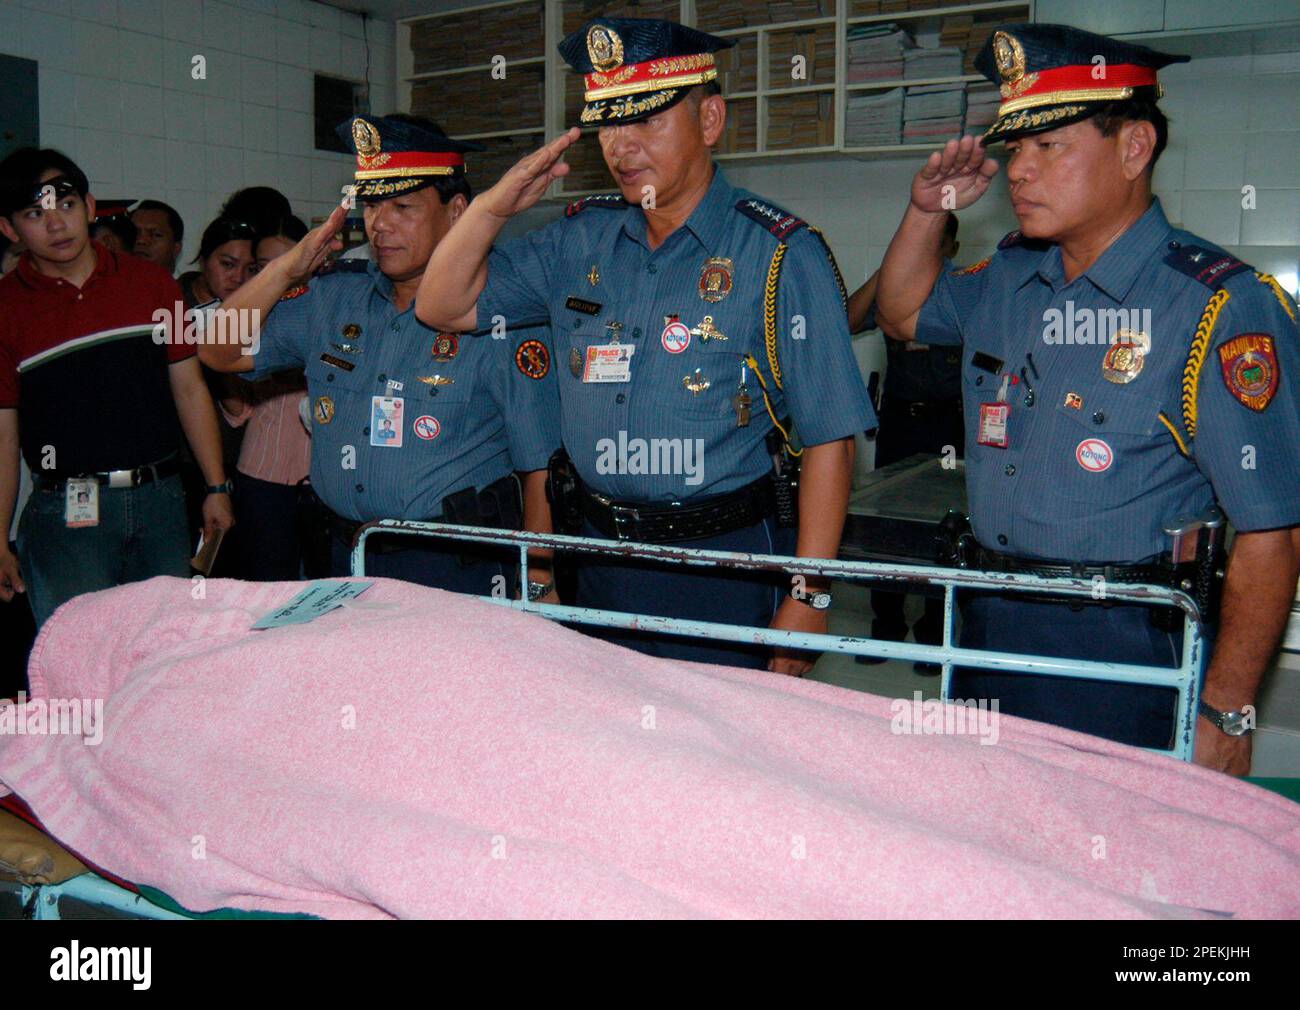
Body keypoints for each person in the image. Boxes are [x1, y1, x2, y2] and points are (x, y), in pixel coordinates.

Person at [874, 23, 1300, 774]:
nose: (1019, 172)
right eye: (1015, 149)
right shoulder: (1011, 278)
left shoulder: (1217, 304)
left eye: (1050, 146)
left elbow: (1272, 532)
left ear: (1134, 149)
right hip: (985, 626)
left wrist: (1226, 711)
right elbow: (902, 313)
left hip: (1123, 646)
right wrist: (926, 209)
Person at [413, 17, 875, 674]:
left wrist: (810, 594)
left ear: (710, 120)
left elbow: (832, 437)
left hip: (723, 563)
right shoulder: (576, 240)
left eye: (647, 121)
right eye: (608, 122)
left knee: (718, 760)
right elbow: (442, 304)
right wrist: (490, 208)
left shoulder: (776, 254)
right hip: (597, 558)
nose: (622, 146)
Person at [199, 115, 560, 597]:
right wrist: (286, 269)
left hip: (448, 568)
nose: (380, 224)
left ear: (456, 211)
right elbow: (218, 350)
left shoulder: (500, 315)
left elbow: (539, 468)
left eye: (402, 206)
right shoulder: (333, 299)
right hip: (338, 557)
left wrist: (538, 580)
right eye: (372, 204)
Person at [0, 148, 233, 627]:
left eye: (65, 206)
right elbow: (2, 434)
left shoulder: (152, 285)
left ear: (89, 207)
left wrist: (215, 485)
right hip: (65, 517)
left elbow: (189, 389)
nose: (57, 224)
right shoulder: (6, 308)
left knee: (163, 654)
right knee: (80, 662)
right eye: (34, 214)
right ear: (9, 230)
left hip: (161, 503)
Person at [849, 213, 964, 673]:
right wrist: (886, 269)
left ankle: (935, 633)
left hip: (952, 429)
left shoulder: (965, 289)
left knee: (947, 529)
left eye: (937, 244)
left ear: (952, 249)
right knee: (886, 529)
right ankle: (888, 626)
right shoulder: (895, 288)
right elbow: (846, 321)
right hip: (901, 422)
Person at [217, 215, 314, 581]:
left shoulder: (331, 310)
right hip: (261, 475)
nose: (279, 273)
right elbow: (238, 412)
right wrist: (222, 366)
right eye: (263, 266)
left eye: (287, 261)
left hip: (323, 478)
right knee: (265, 587)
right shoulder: (250, 319)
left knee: (323, 588)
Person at [130, 199, 184, 274]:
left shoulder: (181, 285)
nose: (141, 240)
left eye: (156, 235)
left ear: (176, 248)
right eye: (134, 233)